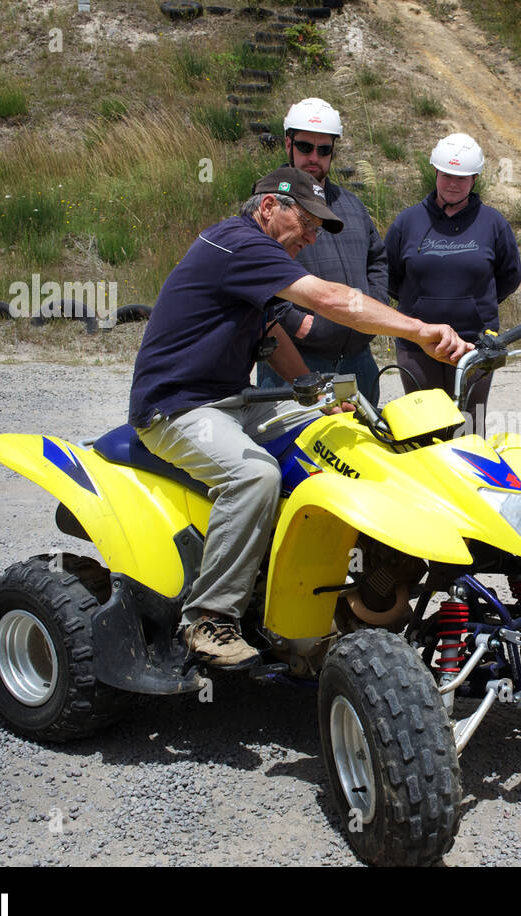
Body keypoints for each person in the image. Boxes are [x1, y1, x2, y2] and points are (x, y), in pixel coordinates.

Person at [129, 169, 471, 669]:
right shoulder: (238, 243)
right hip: (176, 407)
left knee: (344, 438)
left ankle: (327, 585)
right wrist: (419, 330)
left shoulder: (255, 260)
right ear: (269, 207)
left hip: (232, 401)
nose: (311, 237)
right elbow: (335, 300)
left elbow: (270, 333)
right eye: (307, 223)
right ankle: (207, 619)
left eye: (317, 228)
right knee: (254, 475)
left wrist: (316, 394)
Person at [256, 97, 389, 405]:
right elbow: (254, 275)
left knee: (362, 448)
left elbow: (377, 260)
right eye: (305, 147)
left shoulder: (352, 205)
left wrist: (376, 306)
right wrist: (297, 323)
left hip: (358, 361)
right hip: (296, 363)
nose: (313, 157)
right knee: (291, 448)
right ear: (288, 143)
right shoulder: (268, 204)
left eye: (324, 149)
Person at [385, 133, 521, 416]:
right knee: (423, 427)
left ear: (474, 180)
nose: (453, 184)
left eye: (462, 178)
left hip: (475, 343)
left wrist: (473, 302)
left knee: (469, 426)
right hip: (417, 344)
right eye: (446, 175)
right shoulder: (407, 222)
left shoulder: (493, 223)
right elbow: (391, 276)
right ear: (435, 172)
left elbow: (509, 276)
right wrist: (422, 305)